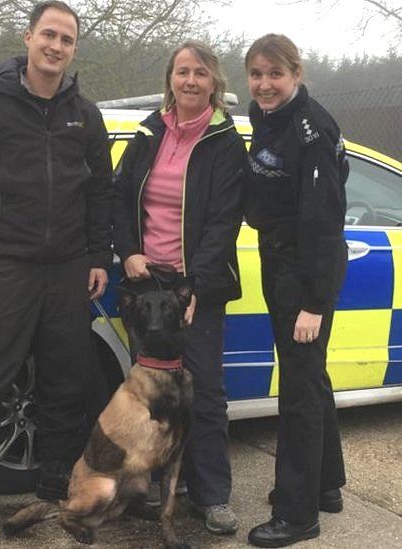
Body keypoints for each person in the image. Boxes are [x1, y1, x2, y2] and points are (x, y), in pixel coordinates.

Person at [0, 1, 113, 544]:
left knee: (67, 382)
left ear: (74, 50)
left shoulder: (85, 114)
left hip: (68, 270)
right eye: (48, 35)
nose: (56, 46)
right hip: (7, 267)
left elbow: (100, 193)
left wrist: (99, 256)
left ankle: (55, 485)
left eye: (67, 39)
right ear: (28, 37)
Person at [111, 40, 246, 536]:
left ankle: (212, 495)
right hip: (146, 284)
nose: (191, 80)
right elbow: (119, 197)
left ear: (214, 83)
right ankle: (148, 483)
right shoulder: (149, 131)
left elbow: (223, 223)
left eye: (200, 73)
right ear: (170, 77)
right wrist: (129, 250)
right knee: (149, 392)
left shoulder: (225, 141)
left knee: (203, 391)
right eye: (183, 71)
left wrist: (196, 291)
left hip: (195, 286)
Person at [242, 34, 350, 548]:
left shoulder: (311, 131)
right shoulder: (268, 118)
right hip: (280, 261)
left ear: (296, 74)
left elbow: (324, 222)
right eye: (256, 74)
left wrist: (314, 303)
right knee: (311, 378)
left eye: (275, 74)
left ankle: (297, 513)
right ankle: (324, 484)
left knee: (299, 392)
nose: (265, 84)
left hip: (303, 270)